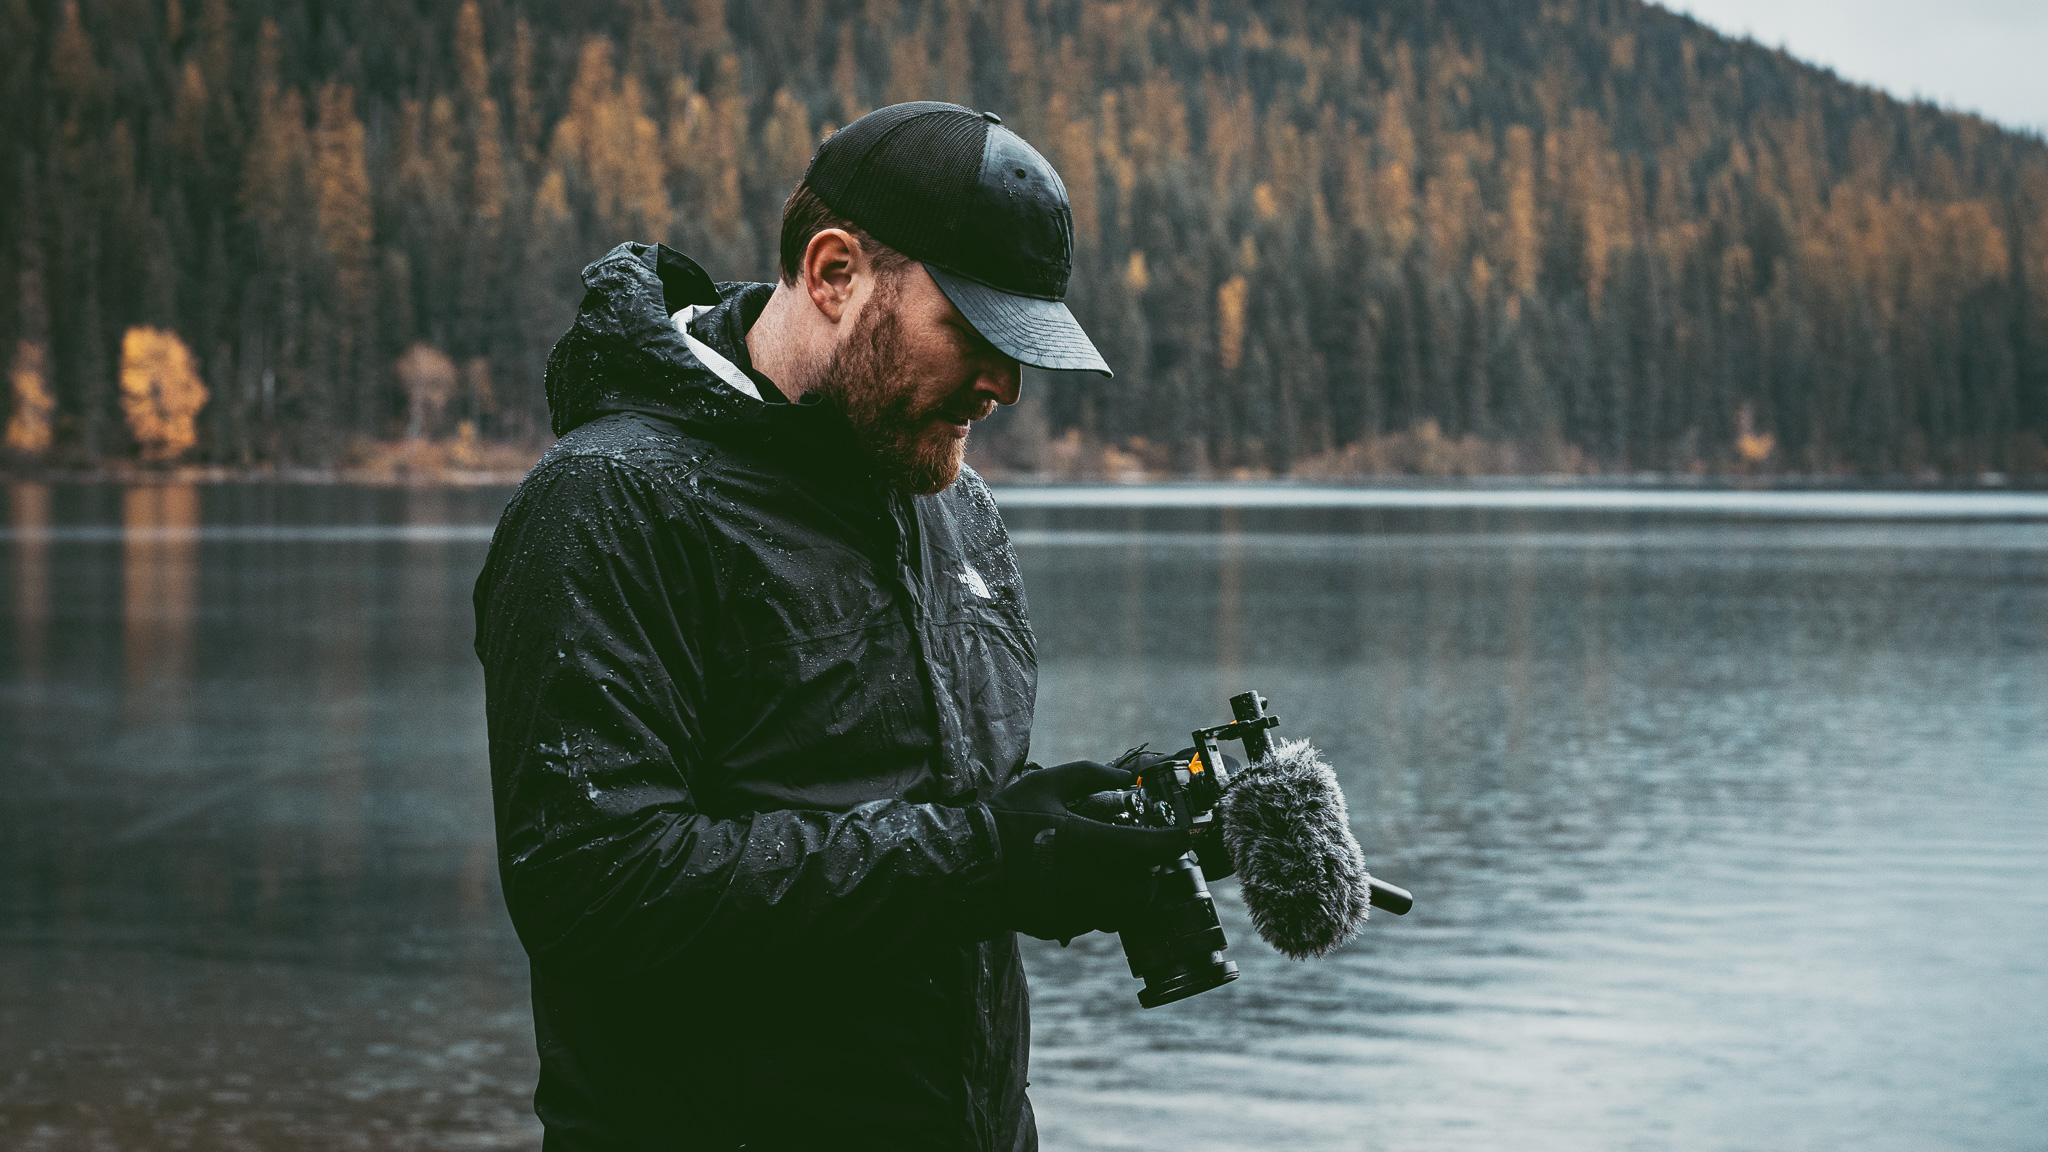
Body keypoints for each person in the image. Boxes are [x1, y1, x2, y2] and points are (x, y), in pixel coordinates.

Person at [473, 102, 1191, 1151]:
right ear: (833, 273)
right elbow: (596, 891)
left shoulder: (952, 505)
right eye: (977, 335)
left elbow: (943, 828)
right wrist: (992, 858)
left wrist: (1087, 837)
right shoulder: (609, 503)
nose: (1005, 386)